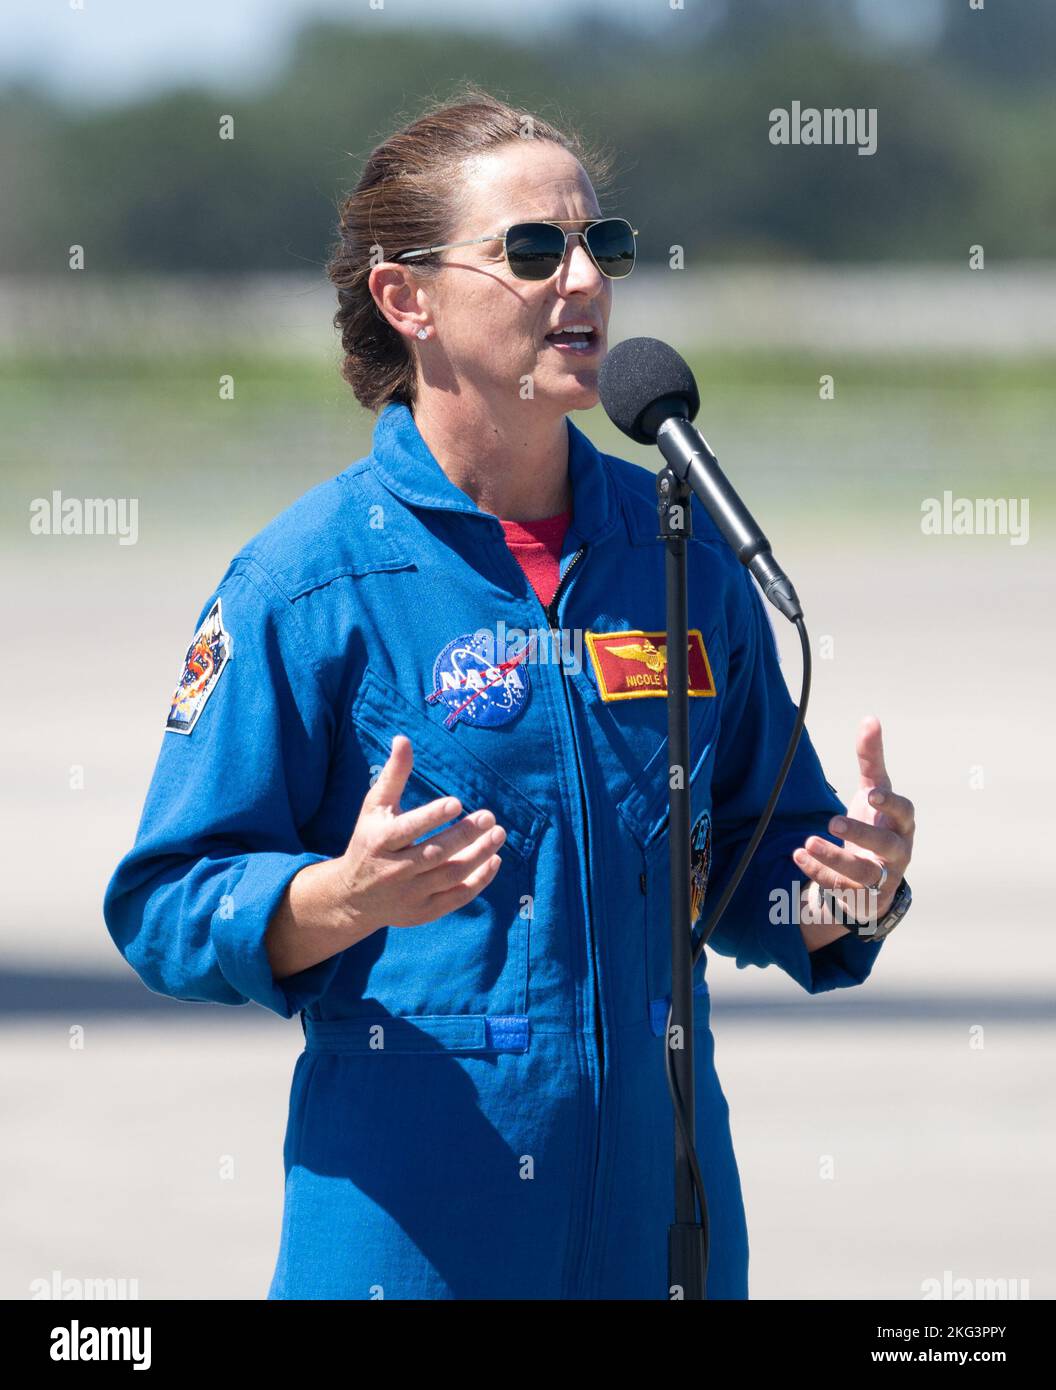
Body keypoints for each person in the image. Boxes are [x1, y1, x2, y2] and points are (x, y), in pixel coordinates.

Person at [103, 84, 915, 1300]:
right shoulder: (310, 581)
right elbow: (166, 901)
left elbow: (749, 870)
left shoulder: (683, 552)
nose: (584, 280)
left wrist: (853, 892)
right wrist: (335, 896)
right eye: (534, 250)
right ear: (406, 296)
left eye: (607, 246)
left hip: (666, 1239)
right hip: (413, 1246)